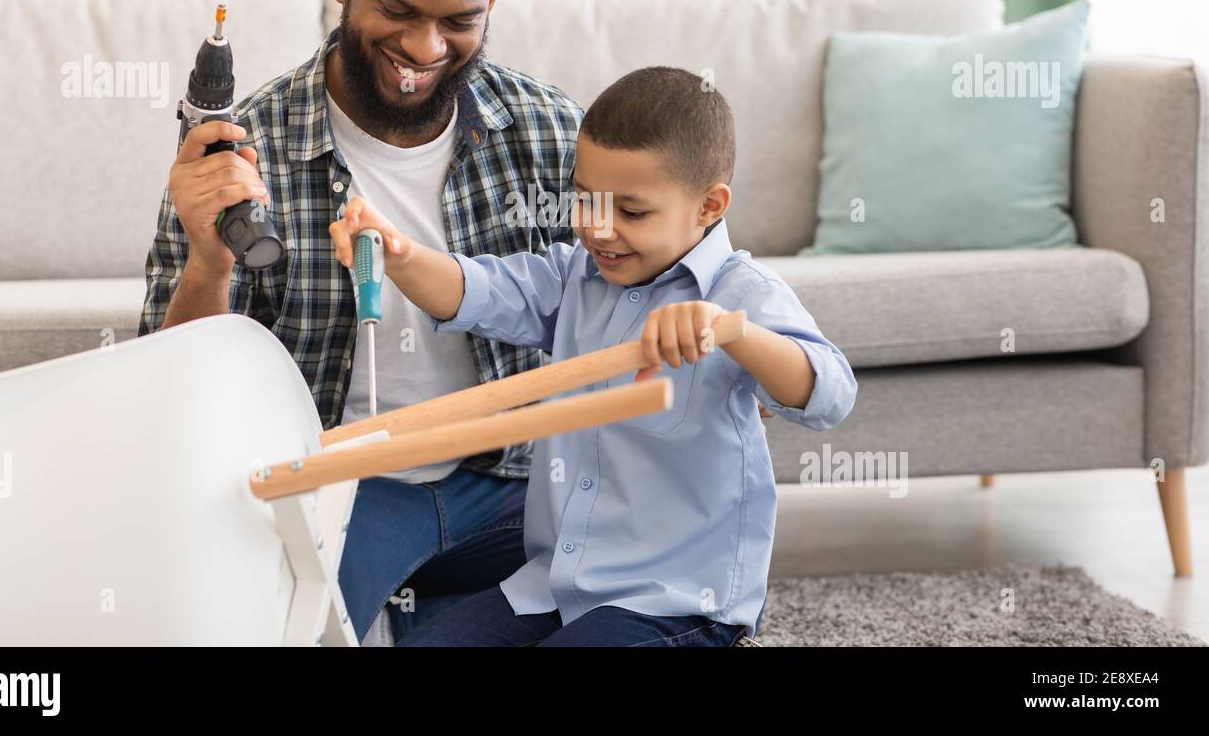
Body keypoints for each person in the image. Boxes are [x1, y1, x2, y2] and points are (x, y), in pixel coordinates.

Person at [139, 0, 582, 643]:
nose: (424, 48)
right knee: (257, 627)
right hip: (346, 494)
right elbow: (167, 399)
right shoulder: (246, 152)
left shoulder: (551, 131)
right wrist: (209, 262)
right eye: (398, 9)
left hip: (512, 485)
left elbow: (658, 277)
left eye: (459, 20)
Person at [330, 66, 857, 646]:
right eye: (584, 200)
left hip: (677, 602)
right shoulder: (574, 276)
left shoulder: (741, 296)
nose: (598, 229)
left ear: (709, 206)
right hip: (553, 589)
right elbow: (471, 291)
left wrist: (732, 333)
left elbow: (830, 394)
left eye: (631, 213)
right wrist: (400, 253)